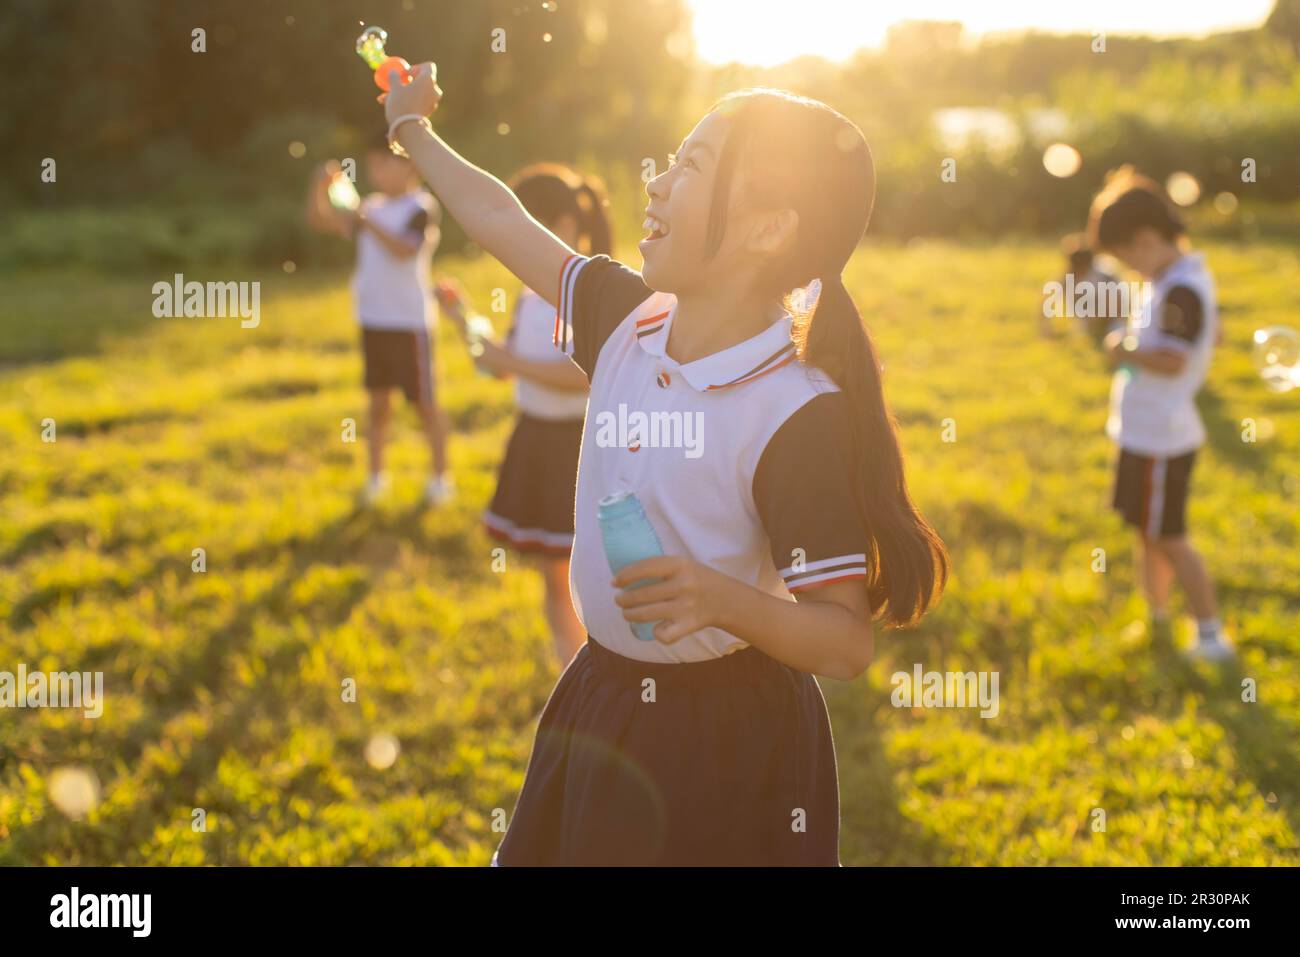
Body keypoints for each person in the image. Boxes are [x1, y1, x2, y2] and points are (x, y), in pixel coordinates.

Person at [383, 68, 947, 864]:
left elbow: (843, 643)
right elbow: (496, 218)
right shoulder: (623, 318)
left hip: (730, 735)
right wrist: (413, 129)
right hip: (603, 694)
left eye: (692, 168)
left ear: (766, 229)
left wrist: (722, 599)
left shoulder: (793, 411)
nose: (656, 183)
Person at [437, 163, 612, 664]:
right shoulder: (527, 296)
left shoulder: (591, 292)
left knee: (597, 576)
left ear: (557, 226)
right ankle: (572, 678)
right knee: (555, 578)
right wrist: (462, 319)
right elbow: (501, 367)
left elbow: (583, 375)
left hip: (583, 449)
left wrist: (506, 361)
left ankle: (617, 677)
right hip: (535, 440)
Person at [1088, 167, 1232, 661]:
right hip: (1145, 432)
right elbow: (1209, 335)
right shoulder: (1174, 280)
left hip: (1162, 437)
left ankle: (1211, 634)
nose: (1126, 266)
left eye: (1125, 256)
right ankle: (1157, 617)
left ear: (1146, 239)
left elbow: (1174, 360)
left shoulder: (1181, 289)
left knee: (1169, 537)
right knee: (1146, 531)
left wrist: (1122, 350)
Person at [306, 132, 452, 507]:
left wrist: (365, 219)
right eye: (372, 165)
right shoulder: (368, 207)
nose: (377, 172)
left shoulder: (421, 207)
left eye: (385, 164)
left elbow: (405, 250)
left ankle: (440, 479)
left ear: (410, 166)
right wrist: (318, 187)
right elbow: (319, 220)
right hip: (374, 321)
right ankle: (376, 478)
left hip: (409, 323)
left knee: (424, 403)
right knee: (377, 404)